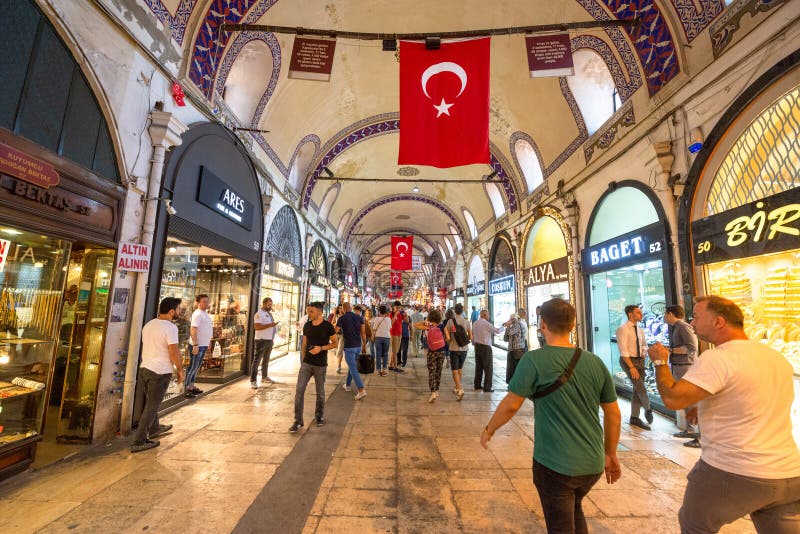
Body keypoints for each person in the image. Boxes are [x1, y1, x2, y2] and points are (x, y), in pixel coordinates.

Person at [648, 296, 800, 533]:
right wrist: (705, 404)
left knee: (695, 525)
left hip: (735, 470)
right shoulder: (775, 357)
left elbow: (673, 398)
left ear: (719, 322)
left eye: (697, 316)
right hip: (789, 474)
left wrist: (659, 362)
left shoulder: (718, 357)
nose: (692, 321)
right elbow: (751, 396)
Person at [481, 298, 622, 533]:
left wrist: (489, 429)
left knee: (560, 525)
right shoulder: (595, 362)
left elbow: (511, 404)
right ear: (573, 325)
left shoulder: (534, 360)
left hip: (555, 464)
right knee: (575, 508)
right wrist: (611, 453)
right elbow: (614, 414)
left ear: (542, 324)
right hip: (592, 464)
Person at [131, 297, 185, 453]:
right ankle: (139, 441)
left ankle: (154, 428)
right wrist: (180, 370)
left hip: (145, 368)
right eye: (178, 309)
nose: (180, 312)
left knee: (150, 402)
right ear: (171, 311)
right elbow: (173, 351)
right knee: (152, 405)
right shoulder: (170, 327)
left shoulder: (149, 325)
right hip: (160, 371)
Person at [290, 301, 337, 432]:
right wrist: (303, 361)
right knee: (299, 391)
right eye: (308, 311)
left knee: (320, 393)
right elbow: (304, 344)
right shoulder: (307, 326)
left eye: (311, 311)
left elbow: (335, 343)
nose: (308, 314)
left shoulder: (328, 326)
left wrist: (321, 348)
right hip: (307, 364)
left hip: (320, 365)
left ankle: (319, 416)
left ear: (320, 312)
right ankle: (298, 421)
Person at [663, 305, 699, 446]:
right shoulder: (676, 327)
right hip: (679, 367)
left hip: (686, 367)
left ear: (670, 314)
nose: (664, 317)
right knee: (685, 398)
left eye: (665, 314)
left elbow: (692, 347)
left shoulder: (683, 326)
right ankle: (690, 429)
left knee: (689, 398)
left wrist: (670, 350)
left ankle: (694, 432)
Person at [616, 304, 653, 430]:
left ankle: (634, 417)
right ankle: (648, 409)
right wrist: (631, 367)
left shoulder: (640, 329)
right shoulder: (623, 329)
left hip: (639, 361)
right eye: (638, 312)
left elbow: (643, 344)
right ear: (630, 314)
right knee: (641, 387)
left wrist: (644, 351)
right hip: (628, 361)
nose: (641, 315)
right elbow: (623, 351)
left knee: (637, 389)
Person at [413, 309, 449, 403]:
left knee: (431, 372)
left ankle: (432, 392)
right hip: (441, 351)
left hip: (431, 351)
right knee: (438, 371)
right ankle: (437, 390)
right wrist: (442, 341)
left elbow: (415, 325)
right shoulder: (441, 326)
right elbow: (448, 337)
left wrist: (425, 322)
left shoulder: (428, 326)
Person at [337, 302, 367, 400]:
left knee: (353, 367)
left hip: (349, 346)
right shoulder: (359, 317)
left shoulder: (342, 318)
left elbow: (335, 330)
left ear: (343, 309)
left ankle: (361, 389)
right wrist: (364, 346)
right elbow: (363, 333)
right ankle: (348, 385)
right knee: (352, 365)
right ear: (351, 308)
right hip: (358, 345)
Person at [185, 294, 211, 398]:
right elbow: (193, 329)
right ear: (197, 303)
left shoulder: (205, 314)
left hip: (203, 344)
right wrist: (195, 344)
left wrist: (208, 342)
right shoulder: (197, 314)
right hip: (197, 345)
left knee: (196, 367)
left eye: (207, 301)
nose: (206, 303)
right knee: (193, 367)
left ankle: (191, 386)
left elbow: (206, 329)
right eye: (204, 301)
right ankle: (186, 389)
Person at [445, 302, 471, 400]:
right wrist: (464, 339)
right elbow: (470, 337)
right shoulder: (467, 322)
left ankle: (460, 388)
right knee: (460, 369)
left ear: (455, 311)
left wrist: (449, 339)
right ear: (462, 310)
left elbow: (447, 335)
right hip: (464, 349)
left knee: (454, 371)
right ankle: (457, 387)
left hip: (453, 348)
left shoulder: (450, 322)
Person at [472, 309, 502, 392]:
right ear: (485, 315)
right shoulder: (486, 324)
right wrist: (504, 326)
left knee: (479, 366)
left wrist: (474, 344)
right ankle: (487, 387)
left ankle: (477, 384)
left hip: (477, 347)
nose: (489, 316)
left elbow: (473, 336)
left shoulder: (475, 323)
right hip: (485, 348)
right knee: (488, 367)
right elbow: (498, 331)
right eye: (488, 315)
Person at [251, 297, 278, 389]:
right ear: (264, 304)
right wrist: (270, 325)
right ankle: (253, 381)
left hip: (269, 340)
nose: (270, 306)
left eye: (271, 304)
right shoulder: (259, 314)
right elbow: (257, 327)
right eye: (269, 304)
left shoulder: (268, 314)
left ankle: (264, 376)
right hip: (261, 340)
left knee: (266, 360)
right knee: (257, 361)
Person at [503, 313, 525, 384]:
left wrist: (508, 326)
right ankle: (512, 383)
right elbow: (505, 338)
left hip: (518, 351)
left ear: (516, 319)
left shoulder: (518, 325)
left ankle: (516, 383)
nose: (511, 320)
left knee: (515, 368)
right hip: (512, 351)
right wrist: (508, 327)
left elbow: (510, 333)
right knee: (511, 368)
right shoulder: (512, 326)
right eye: (511, 319)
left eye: (513, 319)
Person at [371, 305, 391, 376]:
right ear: (385, 311)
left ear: (379, 311)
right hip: (386, 337)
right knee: (385, 353)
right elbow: (389, 328)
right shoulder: (388, 319)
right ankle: (384, 369)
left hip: (378, 337)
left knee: (378, 354)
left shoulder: (376, 319)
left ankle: (378, 369)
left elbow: (374, 329)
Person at [389, 301, 406, 373]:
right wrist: (395, 314)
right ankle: (395, 367)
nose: (399, 308)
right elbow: (391, 323)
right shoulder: (391, 314)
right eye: (397, 307)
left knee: (396, 350)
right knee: (394, 351)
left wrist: (405, 314)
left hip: (399, 334)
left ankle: (390, 365)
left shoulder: (400, 314)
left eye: (400, 307)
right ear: (394, 307)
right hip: (393, 334)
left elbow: (407, 321)